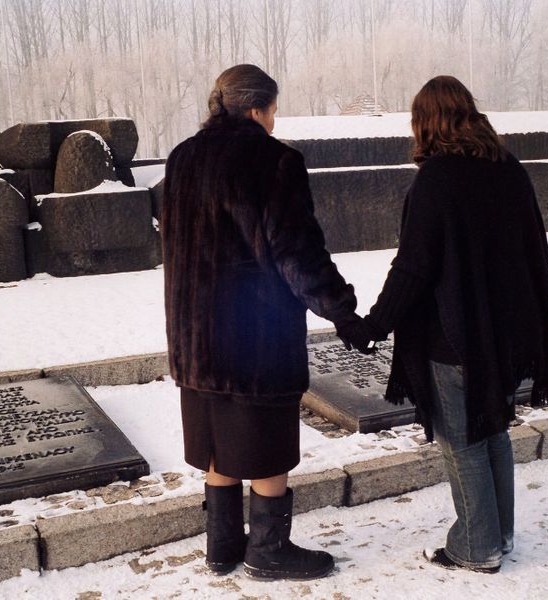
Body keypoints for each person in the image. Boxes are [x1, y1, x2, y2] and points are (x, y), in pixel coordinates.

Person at [345, 75, 548, 574]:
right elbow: (536, 254)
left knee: (462, 440)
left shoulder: (437, 179)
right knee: (494, 430)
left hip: (455, 337)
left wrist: (373, 325)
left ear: (426, 124)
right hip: (505, 335)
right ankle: (499, 534)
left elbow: (414, 267)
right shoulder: (508, 167)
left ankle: (476, 545)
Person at [161, 64, 364, 581]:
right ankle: (268, 551)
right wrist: (342, 311)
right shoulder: (274, 161)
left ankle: (223, 547)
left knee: (217, 439)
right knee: (267, 442)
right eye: (273, 109)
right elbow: (297, 252)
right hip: (254, 334)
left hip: (194, 335)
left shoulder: (183, 158)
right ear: (258, 109)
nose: (275, 119)